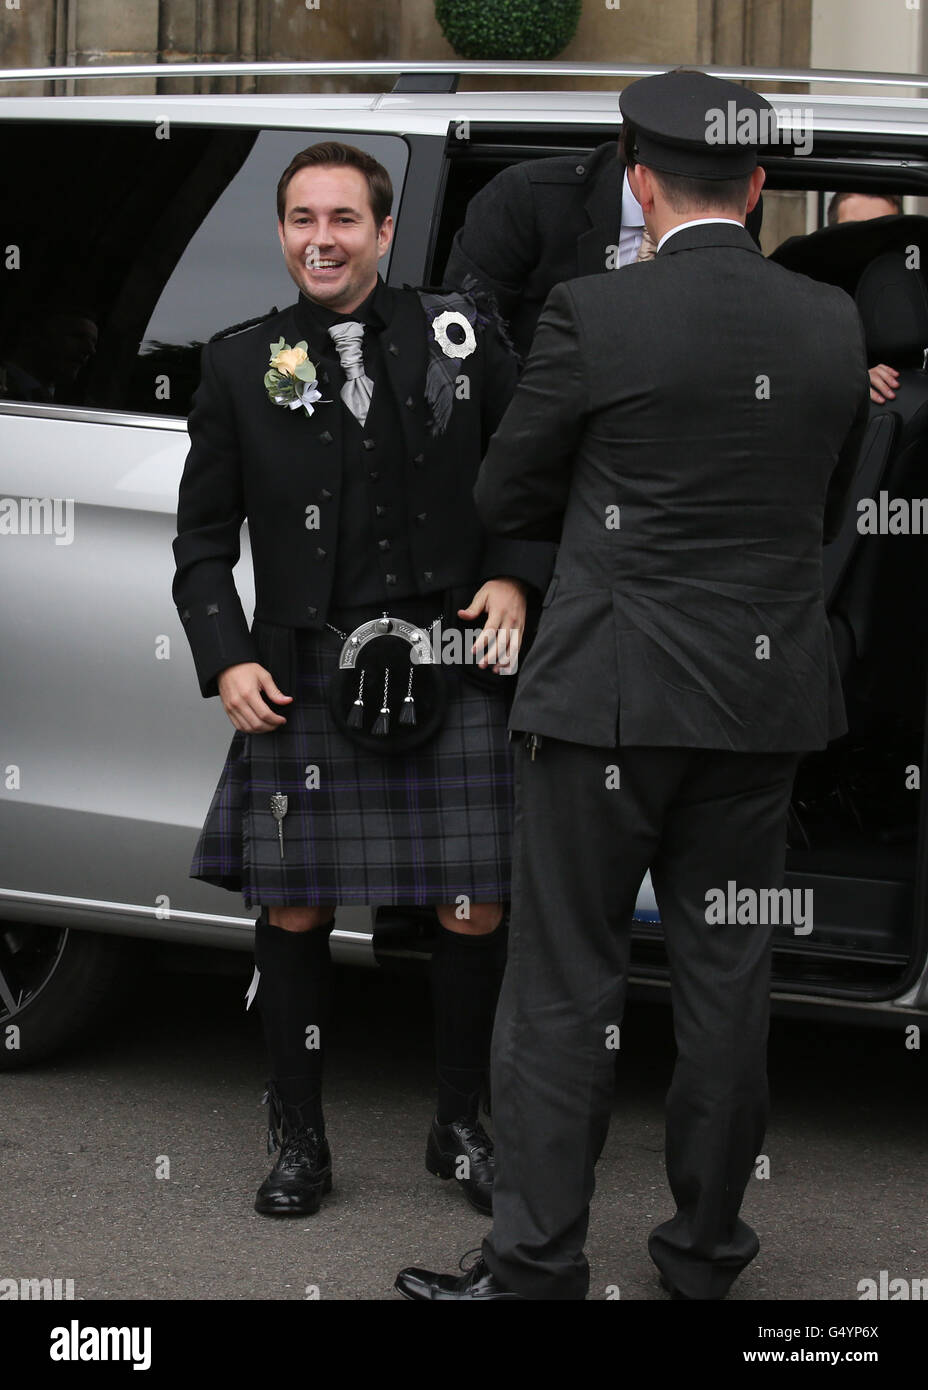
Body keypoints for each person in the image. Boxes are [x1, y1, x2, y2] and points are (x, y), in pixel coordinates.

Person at [395, 69, 870, 1301]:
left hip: (605, 695)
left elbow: (503, 494)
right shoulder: (830, 323)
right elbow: (822, 514)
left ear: (640, 178)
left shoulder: (597, 315)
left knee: (561, 987)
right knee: (727, 984)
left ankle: (535, 1262)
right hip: (760, 708)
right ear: (760, 186)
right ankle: (705, 1256)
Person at [172, 141, 553, 1220]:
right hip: (305, 676)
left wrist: (517, 581)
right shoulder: (242, 362)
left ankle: (461, 1127)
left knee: (473, 910)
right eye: (302, 219)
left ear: (385, 233)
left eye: (345, 219)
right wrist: (228, 652)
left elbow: (530, 473)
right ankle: (298, 1139)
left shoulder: (460, 337)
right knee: (293, 910)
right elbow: (201, 544)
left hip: (447, 667)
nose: (321, 238)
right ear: (283, 232)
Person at [826, 192, 906, 405]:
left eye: (882, 233)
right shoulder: (805, 304)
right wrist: (849, 380)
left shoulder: (916, 305)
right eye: (853, 232)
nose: (867, 245)